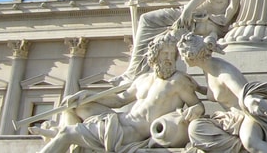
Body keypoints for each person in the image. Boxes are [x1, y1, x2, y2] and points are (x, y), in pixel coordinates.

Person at [35, 32, 203, 153]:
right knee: (73, 106)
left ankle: (66, 137)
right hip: (119, 120)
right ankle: (74, 145)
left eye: (172, 54)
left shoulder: (178, 81)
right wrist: (86, 95)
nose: (169, 58)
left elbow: (198, 106)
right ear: (155, 55)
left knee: (67, 133)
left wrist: (194, 110)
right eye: (165, 53)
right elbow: (119, 100)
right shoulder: (143, 79)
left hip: (129, 133)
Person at [178, 33, 267, 153]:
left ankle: (243, 147)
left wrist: (251, 101)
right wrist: (197, 88)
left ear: (191, 56)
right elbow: (215, 91)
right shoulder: (207, 69)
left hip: (246, 115)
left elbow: (243, 92)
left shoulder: (223, 72)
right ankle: (237, 147)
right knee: (195, 128)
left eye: (182, 56)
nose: (182, 59)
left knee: (250, 141)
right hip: (229, 119)